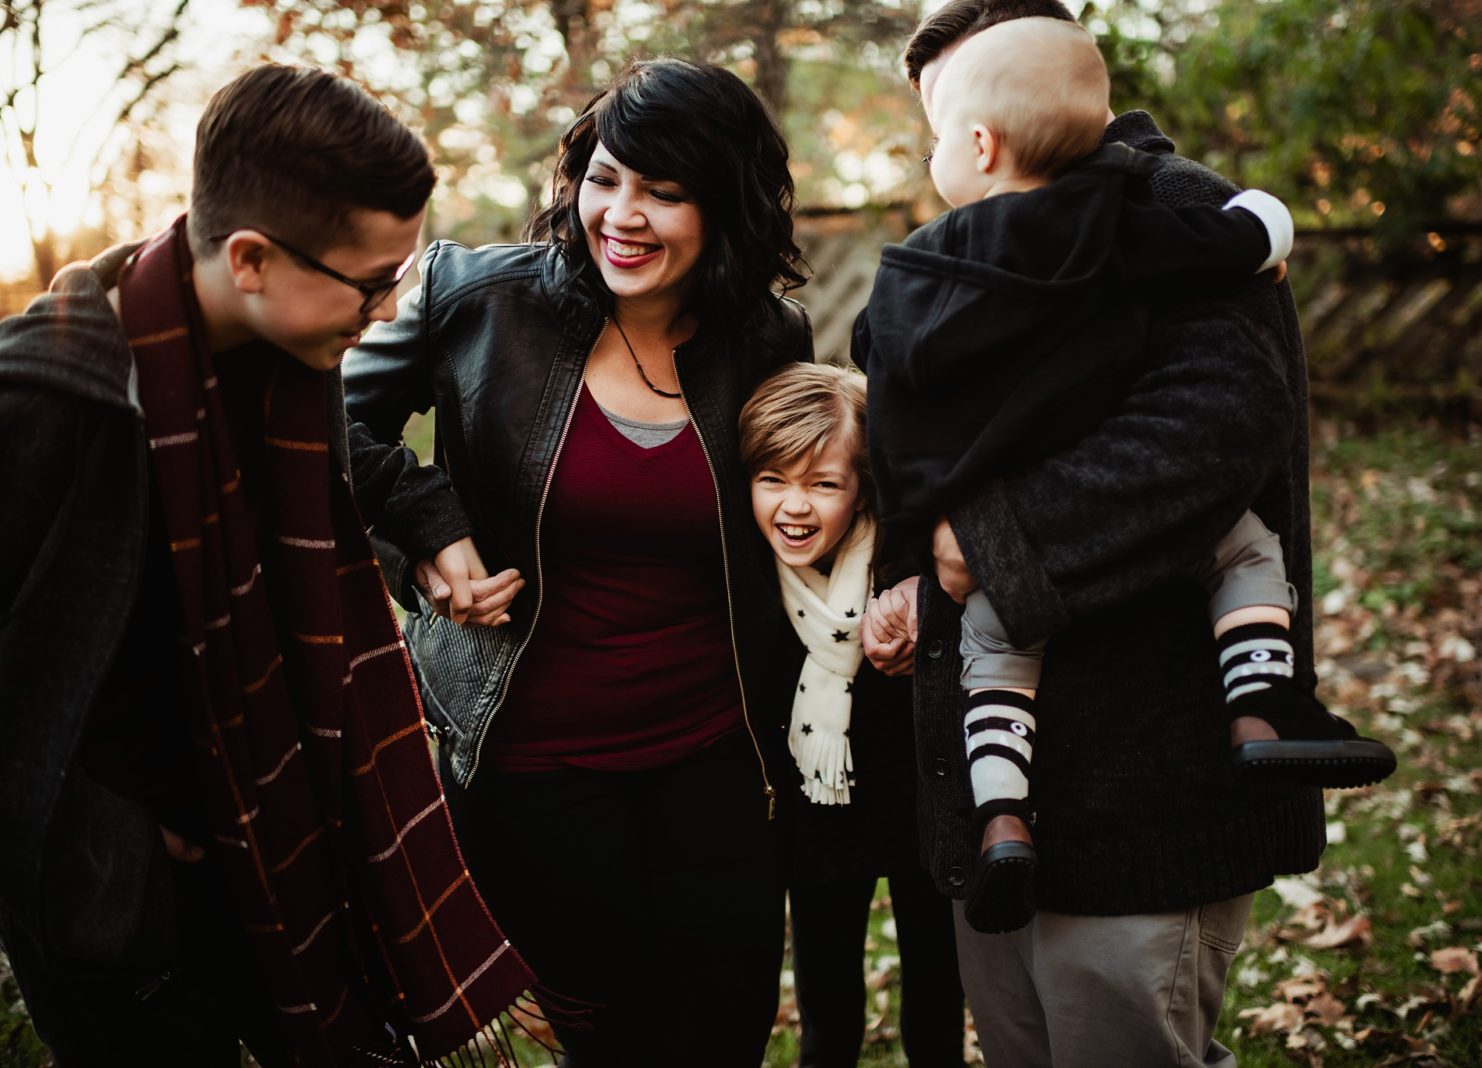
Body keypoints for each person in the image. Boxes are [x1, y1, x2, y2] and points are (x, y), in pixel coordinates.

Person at [0, 64, 564, 1067]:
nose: (390, 310)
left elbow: (363, 470)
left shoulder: (278, 369)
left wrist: (430, 526)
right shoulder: (50, 402)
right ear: (252, 257)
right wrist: (116, 835)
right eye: (371, 281)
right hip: (116, 902)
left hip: (271, 835)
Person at [857, 0, 1363, 1062]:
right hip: (1012, 791)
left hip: (1142, 787)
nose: (941, 145)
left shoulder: (1163, 214)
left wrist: (982, 543)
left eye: (947, 113)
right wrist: (904, 568)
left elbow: (1215, 427)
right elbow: (935, 431)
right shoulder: (996, 237)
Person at [342, 58, 813, 1066]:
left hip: (718, 757)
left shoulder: (766, 338)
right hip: (530, 761)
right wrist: (422, 523)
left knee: (721, 1031)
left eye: (663, 191)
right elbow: (316, 421)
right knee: (610, 1034)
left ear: (725, 204)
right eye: (605, 179)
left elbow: (809, 496)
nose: (622, 215)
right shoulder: (476, 298)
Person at [738, 363, 967, 1068]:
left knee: (937, 988)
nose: (793, 507)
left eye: (823, 484)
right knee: (827, 1004)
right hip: (818, 808)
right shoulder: (746, 572)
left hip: (920, 796)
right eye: (772, 480)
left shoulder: (903, 563)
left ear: (864, 486)